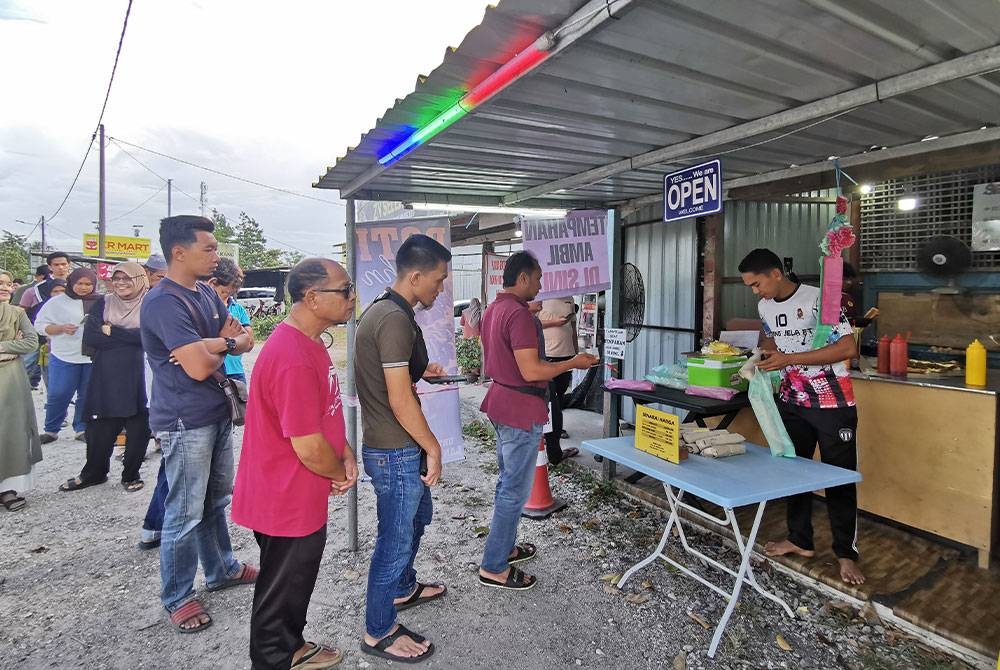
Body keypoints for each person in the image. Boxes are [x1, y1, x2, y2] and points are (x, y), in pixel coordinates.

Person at [233, 258, 358, 670]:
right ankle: (273, 658)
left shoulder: (310, 342)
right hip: (284, 496)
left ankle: (292, 645)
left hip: (296, 491)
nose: (351, 298)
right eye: (344, 290)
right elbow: (306, 446)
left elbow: (324, 413)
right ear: (312, 298)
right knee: (281, 588)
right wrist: (339, 473)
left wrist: (344, 452)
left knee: (293, 581)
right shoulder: (292, 355)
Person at [140, 215, 256, 633]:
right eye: (208, 248)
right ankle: (178, 596)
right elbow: (193, 367)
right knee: (185, 511)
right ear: (179, 252)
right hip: (184, 420)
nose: (216, 255)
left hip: (215, 411)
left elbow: (244, 338)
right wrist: (221, 343)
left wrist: (215, 343)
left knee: (214, 501)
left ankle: (221, 568)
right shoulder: (163, 301)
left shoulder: (207, 294)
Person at [738, 248, 864, 585]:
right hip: (792, 400)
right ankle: (800, 539)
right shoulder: (764, 306)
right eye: (749, 286)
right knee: (792, 470)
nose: (754, 291)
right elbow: (772, 339)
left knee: (839, 477)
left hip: (832, 403)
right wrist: (761, 358)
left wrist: (790, 359)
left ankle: (845, 553)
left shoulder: (820, 299)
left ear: (776, 273)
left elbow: (847, 348)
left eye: (756, 283)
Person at [354, 234, 452, 664]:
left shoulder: (391, 310)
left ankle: (402, 587)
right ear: (415, 276)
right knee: (393, 539)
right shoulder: (392, 318)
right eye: (438, 280)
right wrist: (433, 447)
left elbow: (393, 375)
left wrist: (420, 368)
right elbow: (398, 398)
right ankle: (378, 629)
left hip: (395, 446)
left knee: (419, 516)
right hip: (394, 449)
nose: (441, 288)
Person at [478, 252, 598, 591]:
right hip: (519, 409)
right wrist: (573, 361)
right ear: (523, 279)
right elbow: (532, 370)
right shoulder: (518, 316)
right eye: (538, 278)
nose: (541, 285)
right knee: (514, 491)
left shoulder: (495, 309)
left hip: (502, 404)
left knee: (508, 484)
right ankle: (494, 566)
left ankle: (505, 548)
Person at [59, 262, 150, 493]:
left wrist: (113, 330)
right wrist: (130, 336)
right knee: (100, 424)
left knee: (138, 423)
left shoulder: (151, 303)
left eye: (127, 278)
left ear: (139, 278)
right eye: (116, 278)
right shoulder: (105, 302)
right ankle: (94, 473)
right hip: (106, 372)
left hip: (140, 372)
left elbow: (149, 337)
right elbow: (92, 337)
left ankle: (131, 474)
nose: (120, 283)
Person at [34, 268, 98, 444]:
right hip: (64, 355)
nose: (84, 288)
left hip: (91, 356)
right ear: (71, 282)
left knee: (87, 394)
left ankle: (81, 428)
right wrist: (61, 328)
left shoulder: (100, 301)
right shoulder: (57, 302)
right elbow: (39, 325)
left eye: (88, 284)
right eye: (80, 283)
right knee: (59, 393)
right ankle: (51, 430)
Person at [0, 269, 42, 512]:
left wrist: (4, 347)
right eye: (0, 284)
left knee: (10, 431)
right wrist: (11, 347)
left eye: (7, 284)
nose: (5, 288)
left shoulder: (17, 313)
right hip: (10, 363)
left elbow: (30, 342)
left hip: (11, 378)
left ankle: (7, 489)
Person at [538, 296, 579, 464]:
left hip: (567, 356)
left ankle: (554, 431)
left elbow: (573, 326)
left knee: (559, 398)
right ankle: (552, 445)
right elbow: (535, 324)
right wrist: (556, 322)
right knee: (550, 401)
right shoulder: (540, 299)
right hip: (548, 356)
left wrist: (576, 351)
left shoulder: (570, 299)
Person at [207, 258, 254, 383]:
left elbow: (249, 343)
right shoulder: (202, 310)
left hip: (235, 372)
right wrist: (230, 339)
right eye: (223, 292)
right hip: (212, 371)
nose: (225, 298)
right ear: (212, 283)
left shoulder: (237, 309)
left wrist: (223, 341)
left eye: (230, 294)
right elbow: (194, 347)